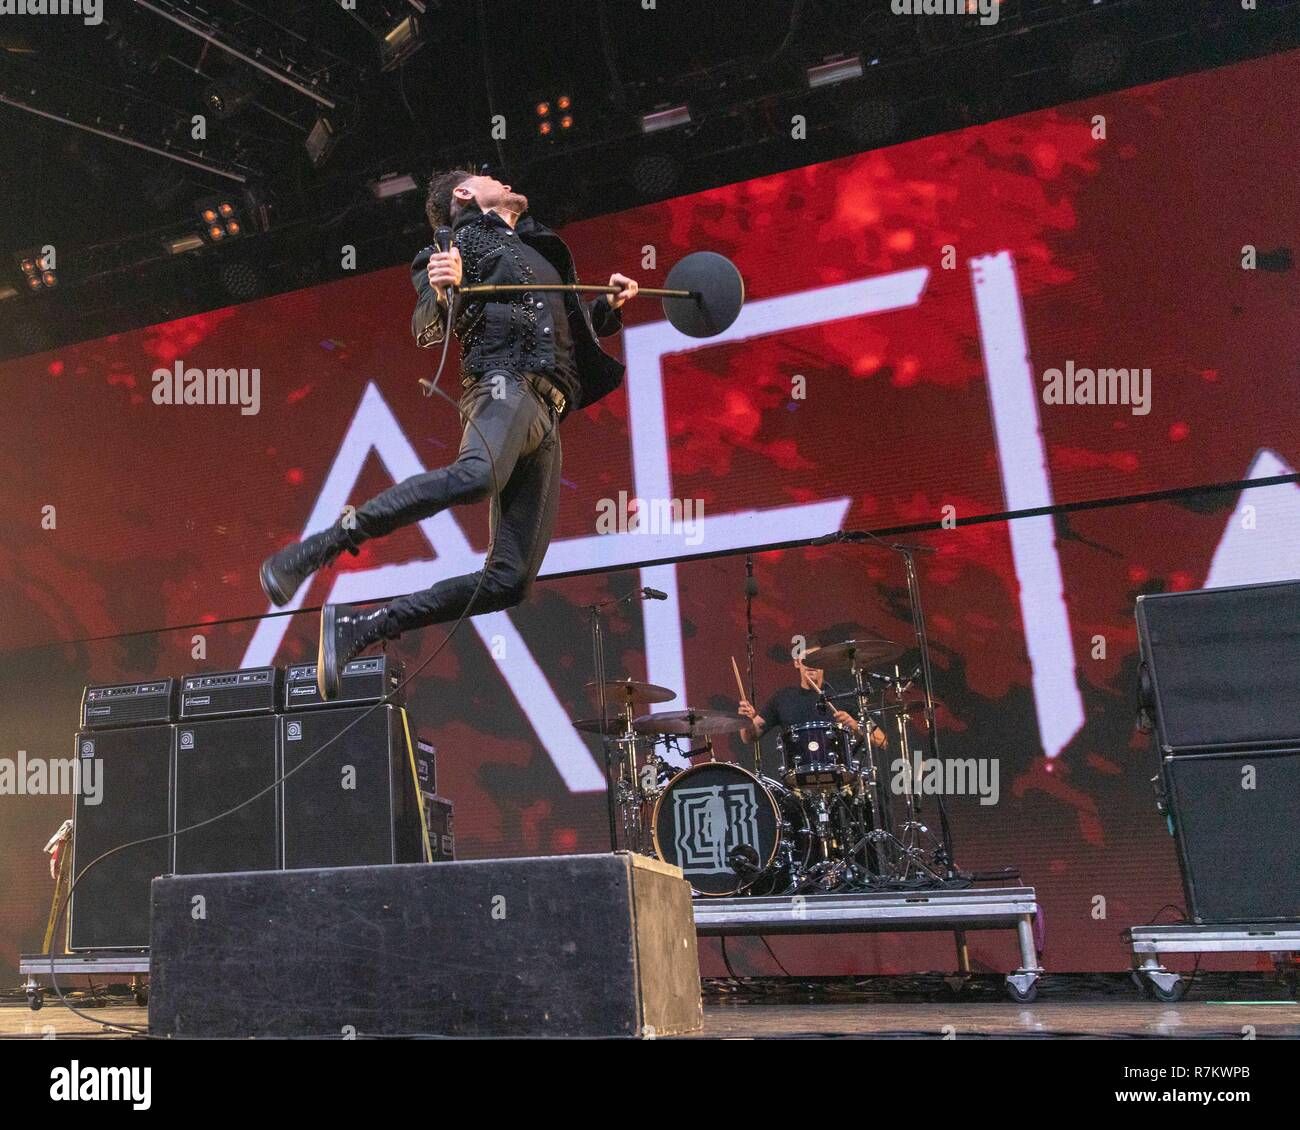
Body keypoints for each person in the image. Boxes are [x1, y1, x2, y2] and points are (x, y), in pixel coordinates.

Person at [258, 169, 640, 698]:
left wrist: (605, 309)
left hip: (548, 414)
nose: (506, 180)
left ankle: (362, 627)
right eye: (490, 177)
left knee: (510, 581)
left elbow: (556, 324)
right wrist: (442, 293)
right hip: (503, 386)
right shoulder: (459, 243)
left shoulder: (540, 249)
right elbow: (427, 324)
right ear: (464, 194)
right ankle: (314, 551)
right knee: (477, 476)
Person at [738, 654, 886, 774]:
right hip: (797, 781)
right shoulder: (782, 698)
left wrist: (855, 725)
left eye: (816, 659)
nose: (810, 663)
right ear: (797, 662)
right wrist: (745, 719)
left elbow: (882, 740)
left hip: (838, 778)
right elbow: (749, 736)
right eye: (805, 658)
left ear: (824, 663)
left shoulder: (841, 697)